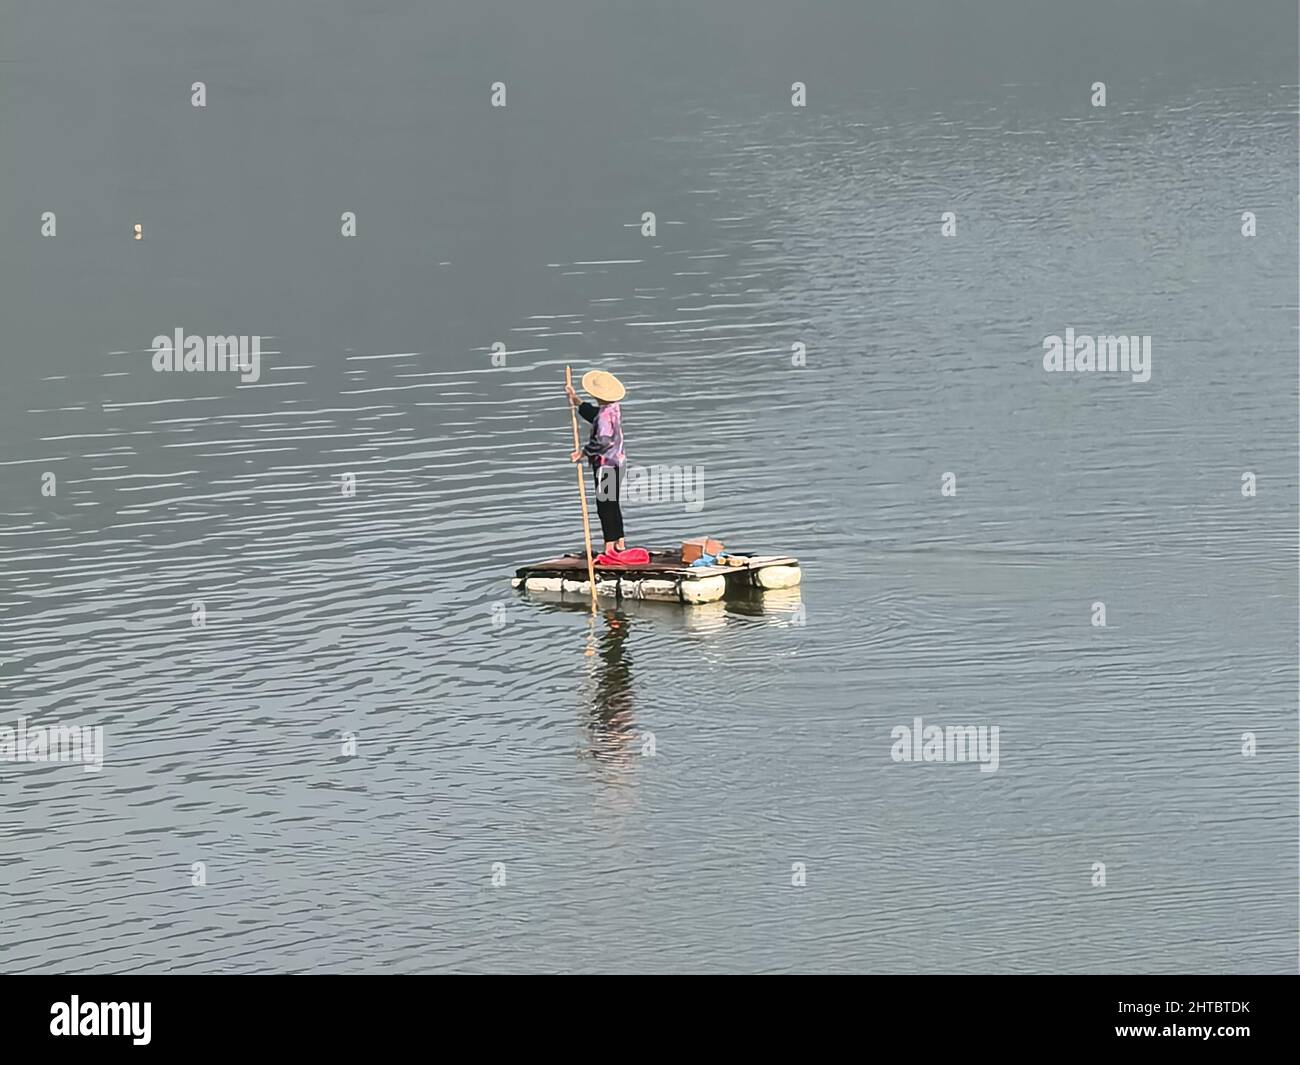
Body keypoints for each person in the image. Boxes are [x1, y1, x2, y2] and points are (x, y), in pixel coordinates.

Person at [565, 370, 626, 556]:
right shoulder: (613, 408)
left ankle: (609, 546)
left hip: (606, 465)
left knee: (605, 505)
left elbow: (603, 441)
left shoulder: (603, 418)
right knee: (612, 502)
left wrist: (582, 453)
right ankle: (620, 542)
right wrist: (577, 402)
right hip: (619, 462)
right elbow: (595, 414)